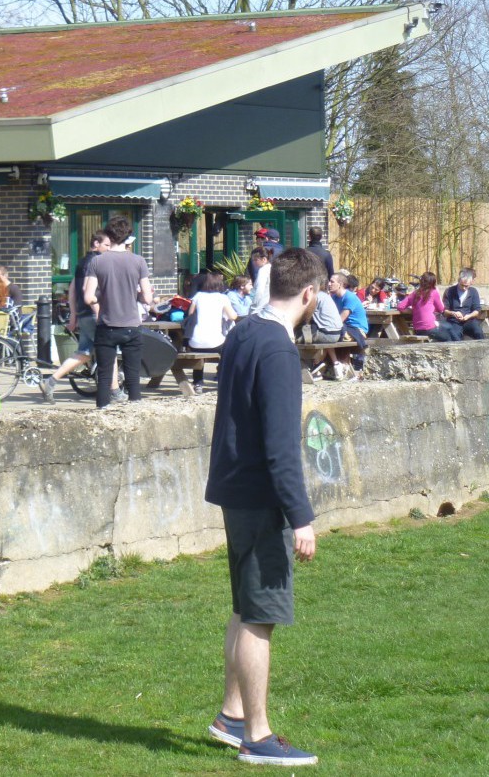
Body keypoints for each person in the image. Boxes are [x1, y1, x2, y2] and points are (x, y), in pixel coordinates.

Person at [205, 247, 322, 767]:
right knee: (261, 615)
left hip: (235, 489)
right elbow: (280, 446)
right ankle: (257, 734)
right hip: (258, 496)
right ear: (309, 294)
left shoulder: (243, 333)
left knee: (243, 606)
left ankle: (230, 716)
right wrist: (301, 516)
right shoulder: (276, 349)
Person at [39, 230, 122, 404]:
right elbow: (87, 290)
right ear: (96, 244)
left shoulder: (81, 263)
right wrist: (99, 312)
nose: (109, 248)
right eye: (106, 245)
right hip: (94, 313)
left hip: (84, 315)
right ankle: (115, 392)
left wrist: (74, 317)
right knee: (110, 352)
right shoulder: (96, 262)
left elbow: (72, 291)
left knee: (83, 353)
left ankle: (50, 381)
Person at [83, 215, 154, 409]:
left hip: (107, 325)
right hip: (132, 325)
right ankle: (135, 411)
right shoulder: (139, 261)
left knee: (105, 374)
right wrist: (136, 296)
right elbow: (147, 298)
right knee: (133, 375)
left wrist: (101, 298)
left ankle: (103, 410)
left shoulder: (97, 262)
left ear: (109, 235)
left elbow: (88, 297)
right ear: (128, 236)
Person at [186, 272, 238, 393]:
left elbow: (190, 314)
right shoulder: (222, 298)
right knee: (227, 350)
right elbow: (233, 316)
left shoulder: (198, 296)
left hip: (195, 342)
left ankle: (198, 382)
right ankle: (221, 378)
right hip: (215, 342)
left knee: (199, 357)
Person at [328, 271, 368, 372]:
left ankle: (335, 364)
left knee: (327, 337)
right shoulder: (334, 297)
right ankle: (334, 364)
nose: (329, 284)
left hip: (357, 330)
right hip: (344, 327)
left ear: (340, 284)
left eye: (332, 282)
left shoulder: (350, 297)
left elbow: (341, 319)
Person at [397, 272, 448, 340]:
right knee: (449, 335)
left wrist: (413, 311)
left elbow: (400, 306)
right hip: (430, 328)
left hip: (417, 330)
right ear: (433, 283)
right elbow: (441, 309)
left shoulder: (414, 293)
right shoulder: (433, 292)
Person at [439, 268, 484, 341]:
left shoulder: (473, 292)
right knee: (455, 336)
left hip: (469, 320)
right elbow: (444, 311)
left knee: (478, 332)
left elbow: (477, 310)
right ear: (458, 281)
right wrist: (453, 313)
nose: (464, 288)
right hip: (454, 321)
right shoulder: (449, 291)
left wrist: (468, 316)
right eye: (462, 285)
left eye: (467, 286)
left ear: (471, 283)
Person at [250, 247, 272, 314]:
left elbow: (259, 291)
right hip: (268, 307)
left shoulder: (262, 271)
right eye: (252, 260)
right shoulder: (271, 268)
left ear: (264, 259)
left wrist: (253, 307)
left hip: (259, 309)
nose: (253, 262)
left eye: (256, 260)